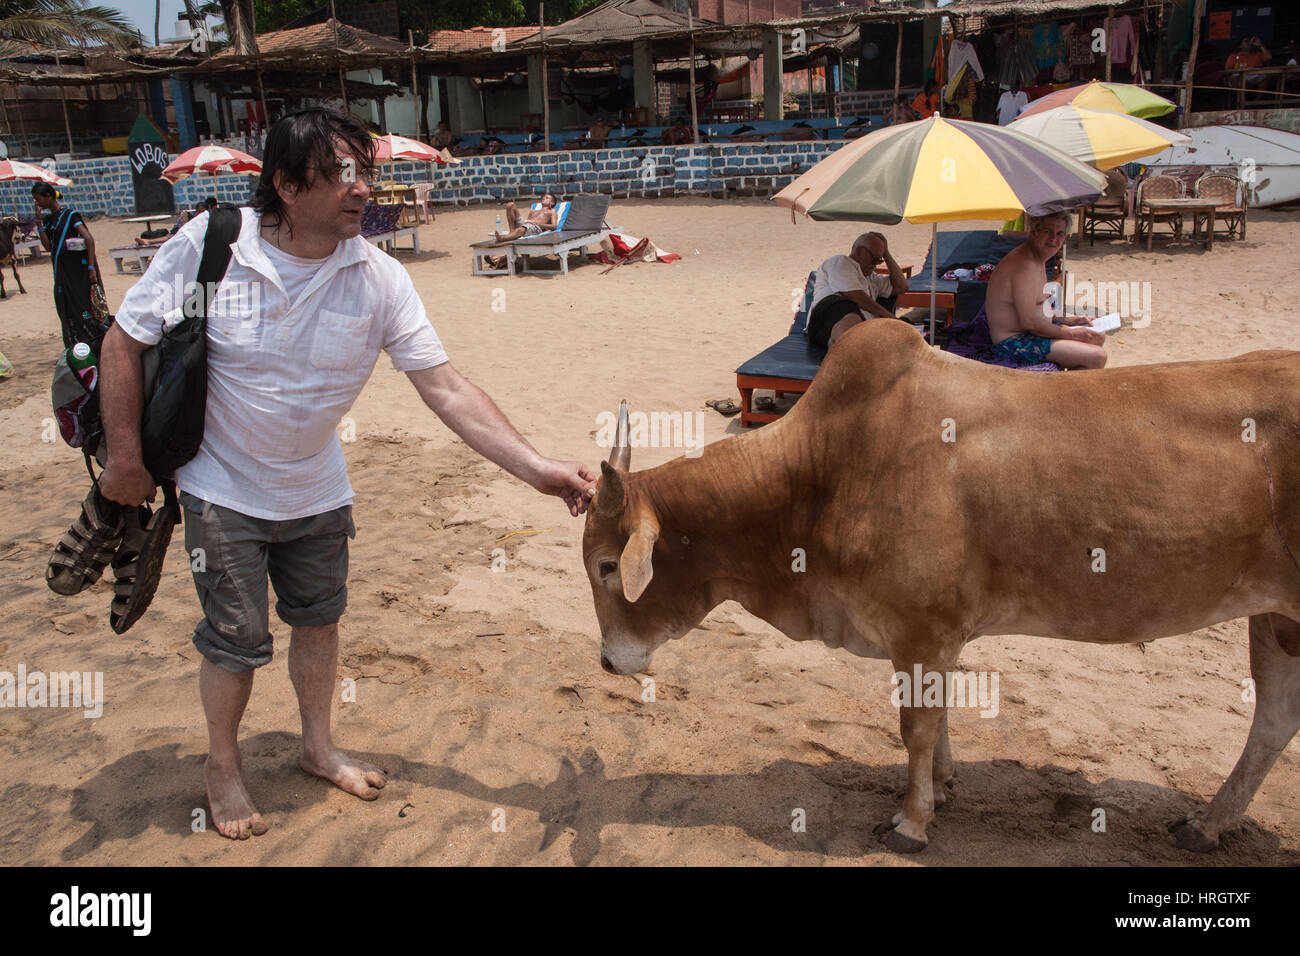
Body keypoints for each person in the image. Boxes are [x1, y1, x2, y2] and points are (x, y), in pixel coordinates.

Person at [97, 108, 597, 840]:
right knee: (235, 639)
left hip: (318, 488)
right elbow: (123, 339)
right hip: (221, 488)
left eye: (365, 171)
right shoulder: (214, 247)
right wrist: (125, 458)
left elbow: (447, 388)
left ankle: (316, 744)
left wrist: (538, 470)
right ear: (287, 186)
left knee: (319, 622)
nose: (362, 189)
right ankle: (224, 766)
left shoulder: (378, 278)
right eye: (339, 174)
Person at [984, 211, 1107, 370]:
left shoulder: (1038, 258)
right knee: (1097, 357)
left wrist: (1073, 320)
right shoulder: (1024, 265)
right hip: (1012, 341)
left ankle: (1067, 389)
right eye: (1047, 232)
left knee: (1097, 335)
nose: (1054, 239)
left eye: (1059, 234)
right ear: (1034, 232)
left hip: (1031, 332)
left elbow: (1041, 306)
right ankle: (1065, 393)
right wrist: (1072, 334)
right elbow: (1028, 322)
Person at [804, 232, 910, 349]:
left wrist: (886, 254)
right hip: (825, 318)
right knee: (847, 310)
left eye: (879, 261)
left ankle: (848, 347)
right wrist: (887, 315)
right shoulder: (840, 262)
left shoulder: (872, 278)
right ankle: (848, 348)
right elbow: (855, 295)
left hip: (851, 328)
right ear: (859, 251)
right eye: (874, 259)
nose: (875, 264)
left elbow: (901, 287)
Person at [32, 182, 106, 349]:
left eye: (39, 199)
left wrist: (91, 268)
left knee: (83, 307)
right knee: (67, 307)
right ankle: (75, 344)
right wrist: (39, 224)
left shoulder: (70, 216)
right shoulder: (49, 220)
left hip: (79, 272)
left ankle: (94, 342)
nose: (37, 203)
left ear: (49, 196)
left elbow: (88, 239)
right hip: (63, 273)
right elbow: (48, 247)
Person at [494, 191, 559, 241]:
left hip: (535, 227)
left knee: (520, 230)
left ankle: (503, 238)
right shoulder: (534, 211)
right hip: (526, 224)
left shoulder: (552, 211)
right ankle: (512, 231)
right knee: (510, 205)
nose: (544, 198)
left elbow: (554, 226)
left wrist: (539, 224)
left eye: (547, 198)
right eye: (543, 197)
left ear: (552, 203)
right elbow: (526, 226)